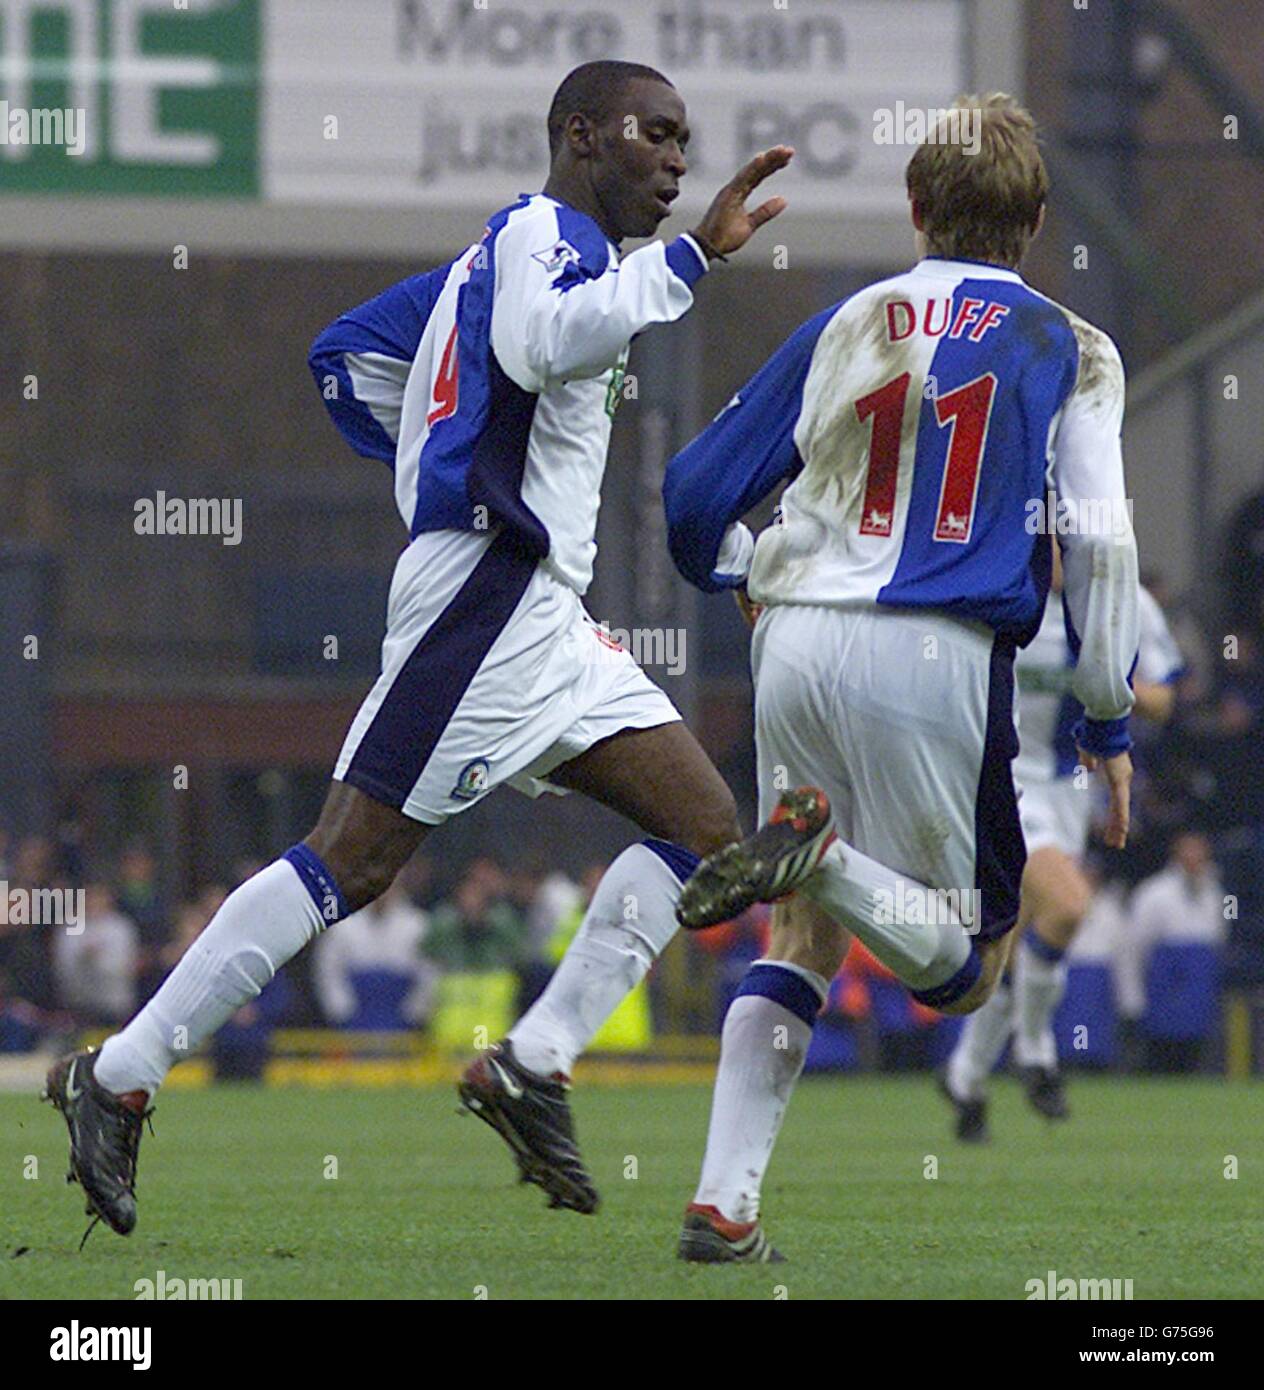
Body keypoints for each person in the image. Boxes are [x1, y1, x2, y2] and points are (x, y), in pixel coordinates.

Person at [44, 60, 809, 1241]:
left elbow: (343, 355)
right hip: (486, 596)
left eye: (683, 141)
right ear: (578, 135)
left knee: (710, 838)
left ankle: (534, 1062)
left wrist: (435, 442)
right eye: (653, 135)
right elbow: (548, 339)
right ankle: (122, 1071)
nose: (674, 160)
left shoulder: (483, 263)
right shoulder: (547, 238)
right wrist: (690, 261)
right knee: (350, 859)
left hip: (544, 608)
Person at [663, 93, 1139, 1261]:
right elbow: (1103, 543)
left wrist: (738, 569)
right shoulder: (1069, 347)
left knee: (801, 929)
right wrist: (1107, 719)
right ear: (1033, 224)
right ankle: (819, 850)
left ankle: (723, 1206)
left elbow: (691, 493)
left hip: (796, 633)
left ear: (914, 206)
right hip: (936, 646)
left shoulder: (848, 321)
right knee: (970, 965)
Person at [941, 563, 1183, 1138]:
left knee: (1008, 947)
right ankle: (1036, 1050)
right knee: (1071, 907)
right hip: (1003, 784)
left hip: (1073, 795)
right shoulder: (993, 584)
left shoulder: (1119, 601)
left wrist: (1105, 683)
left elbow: (1164, 701)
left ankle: (965, 1077)